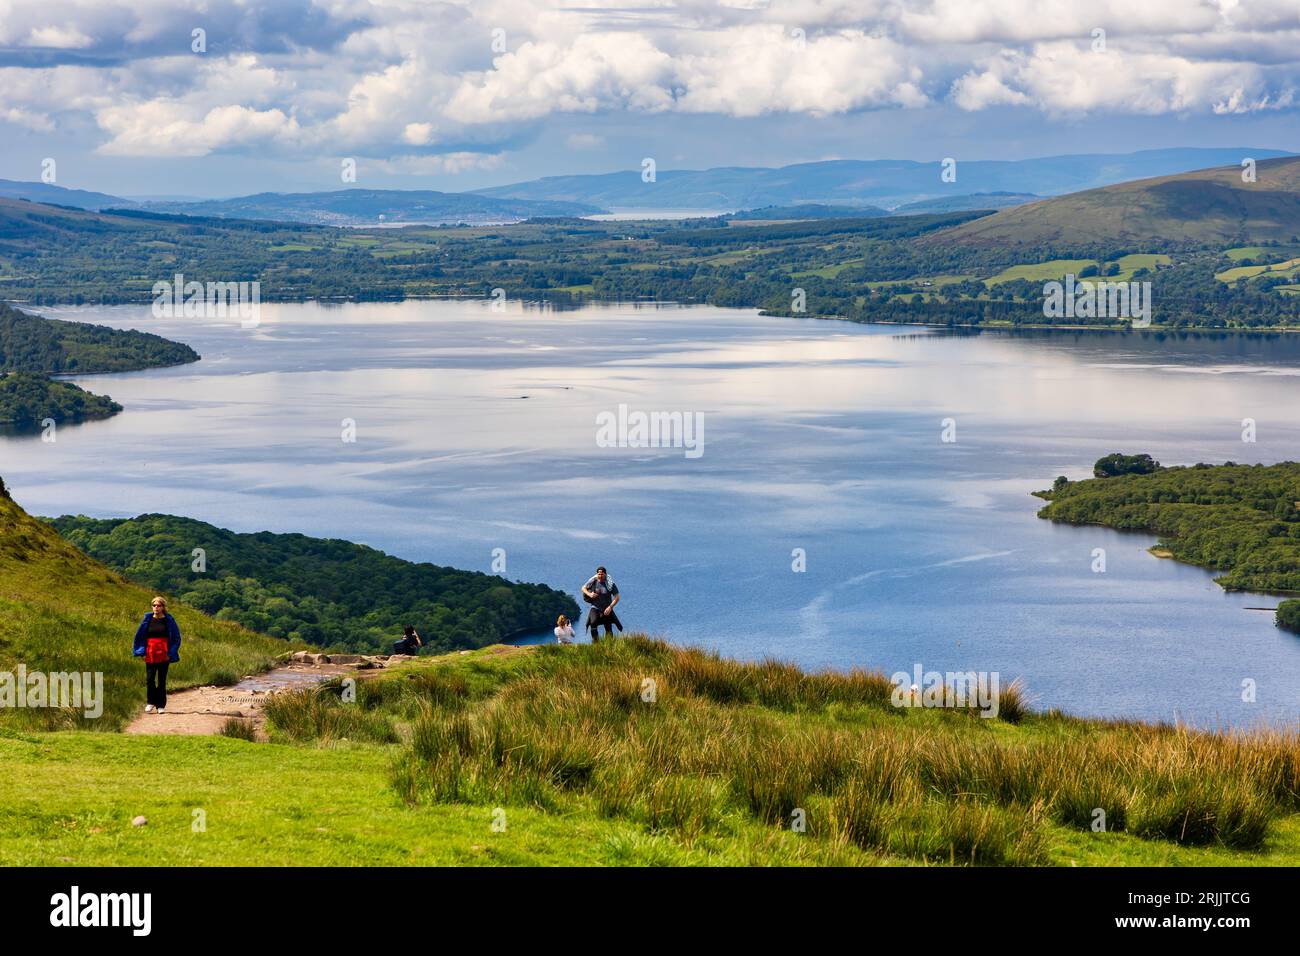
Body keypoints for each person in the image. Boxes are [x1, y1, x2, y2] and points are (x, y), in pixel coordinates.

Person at [133, 596, 181, 714]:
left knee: (161, 680)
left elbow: (176, 638)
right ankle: (150, 702)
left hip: (164, 653)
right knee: (150, 679)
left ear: (163, 607)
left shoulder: (169, 620)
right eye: (154, 605)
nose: (156, 608)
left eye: (158, 605)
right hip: (150, 652)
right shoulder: (147, 620)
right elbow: (139, 637)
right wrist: (141, 652)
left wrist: (170, 654)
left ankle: (161, 705)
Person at [581, 566, 623, 642]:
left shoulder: (610, 584)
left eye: (602, 574)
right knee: (593, 623)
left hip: (606, 609)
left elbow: (617, 597)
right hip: (595, 607)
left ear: (605, 574)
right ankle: (596, 643)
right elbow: (583, 588)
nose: (600, 576)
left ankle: (609, 644)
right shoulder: (593, 581)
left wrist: (610, 607)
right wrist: (590, 594)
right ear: (597, 574)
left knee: (608, 627)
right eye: (599, 574)